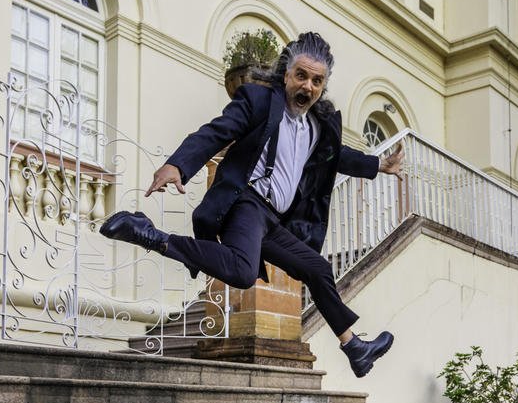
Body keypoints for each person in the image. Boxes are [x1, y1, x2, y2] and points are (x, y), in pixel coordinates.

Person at [99, 31, 404, 378]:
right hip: (243, 202)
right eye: (301, 76)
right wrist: (178, 164)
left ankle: (354, 348)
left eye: (316, 81)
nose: (307, 87)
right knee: (243, 272)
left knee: (317, 269)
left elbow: (337, 157)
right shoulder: (258, 101)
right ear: (286, 74)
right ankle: (149, 234)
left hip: (273, 220)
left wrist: (379, 165)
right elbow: (215, 132)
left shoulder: (318, 126)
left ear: (323, 85)